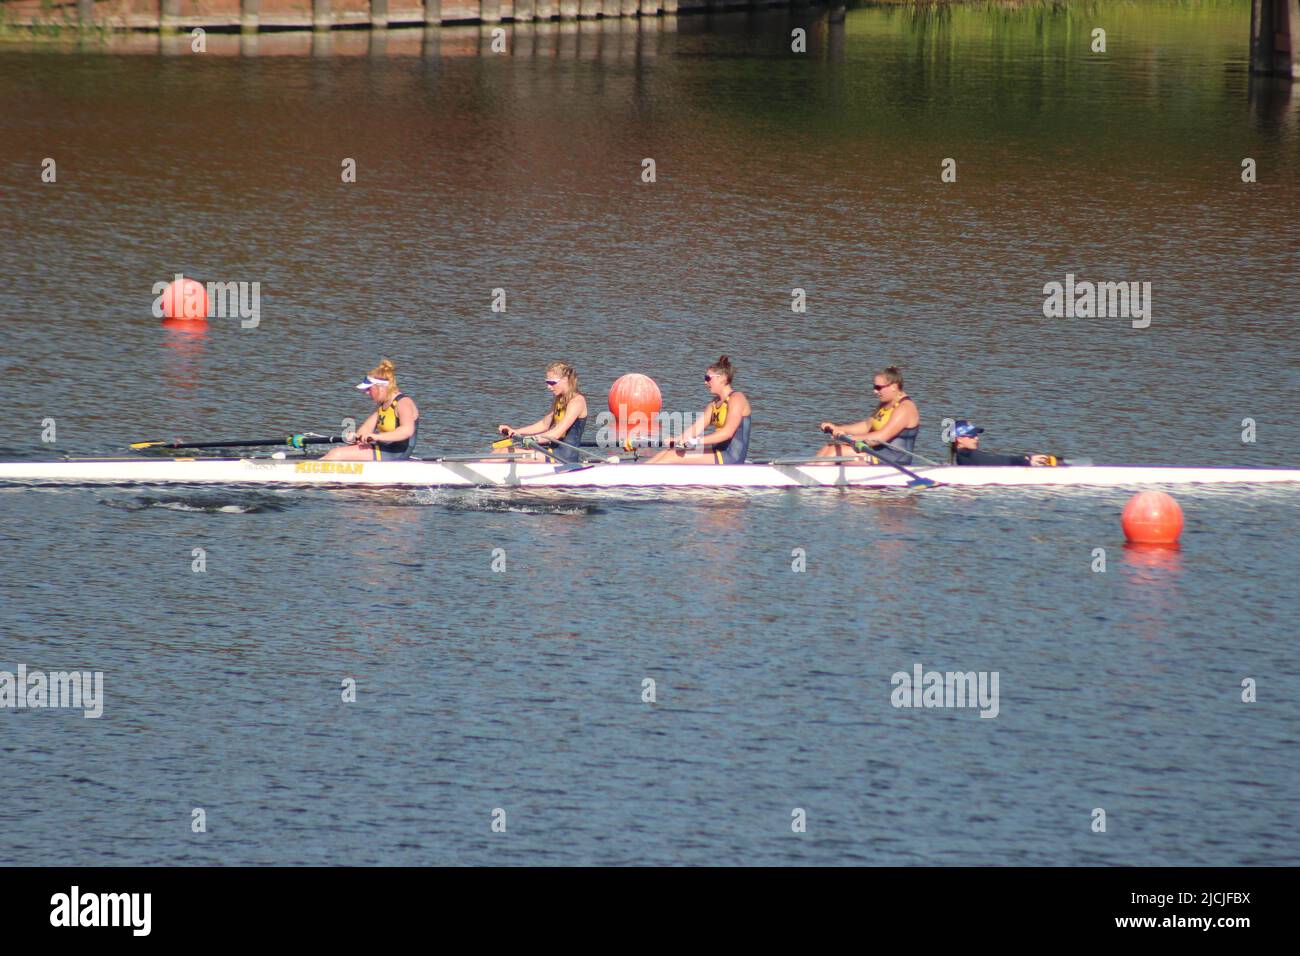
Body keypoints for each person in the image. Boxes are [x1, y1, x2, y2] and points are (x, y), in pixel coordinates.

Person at [647, 355, 751, 465]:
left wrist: (696, 442)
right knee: (668, 451)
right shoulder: (713, 404)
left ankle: (640, 476)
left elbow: (727, 433)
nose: (705, 382)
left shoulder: (737, 398)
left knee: (672, 456)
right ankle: (638, 470)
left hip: (732, 457)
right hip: (718, 452)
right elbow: (696, 429)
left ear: (722, 378)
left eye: (708, 378)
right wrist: (677, 440)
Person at [815, 365, 920, 465]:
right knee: (828, 447)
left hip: (893, 460)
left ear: (894, 386)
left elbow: (880, 438)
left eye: (879, 387)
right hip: (877, 452)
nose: (875, 391)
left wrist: (848, 437)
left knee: (833, 452)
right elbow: (867, 425)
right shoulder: (885, 403)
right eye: (874, 386)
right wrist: (838, 428)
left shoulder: (905, 408)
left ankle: (811, 481)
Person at [321, 359, 419, 461]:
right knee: (335, 452)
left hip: (396, 454)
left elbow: (406, 431)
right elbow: (365, 430)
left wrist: (376, 437)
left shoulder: (403, 403)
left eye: (368, 389)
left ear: (380, 388)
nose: (366, 393)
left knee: (337, 454)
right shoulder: (383, 405)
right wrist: (356, 437)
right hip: (383, 449)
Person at [497, 361, 589, 464]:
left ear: (564, 380)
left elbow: (556, 433)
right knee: (501, 450)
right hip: (552, 450)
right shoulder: (559, 399)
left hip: (564, 457)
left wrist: (533, 439)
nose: (549, 387)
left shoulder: (577, 401)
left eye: (552, 383)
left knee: (505, 452)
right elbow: (544, 424)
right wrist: (517, 431)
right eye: (547, 382)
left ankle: (477, 477)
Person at [949, 421, 1055, 466]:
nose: (976, 438)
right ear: (960, 439)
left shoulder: (963, 455)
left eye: (976, 435)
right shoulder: (969, 455)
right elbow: (996, 460)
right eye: (972, 436)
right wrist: (1026, 460)